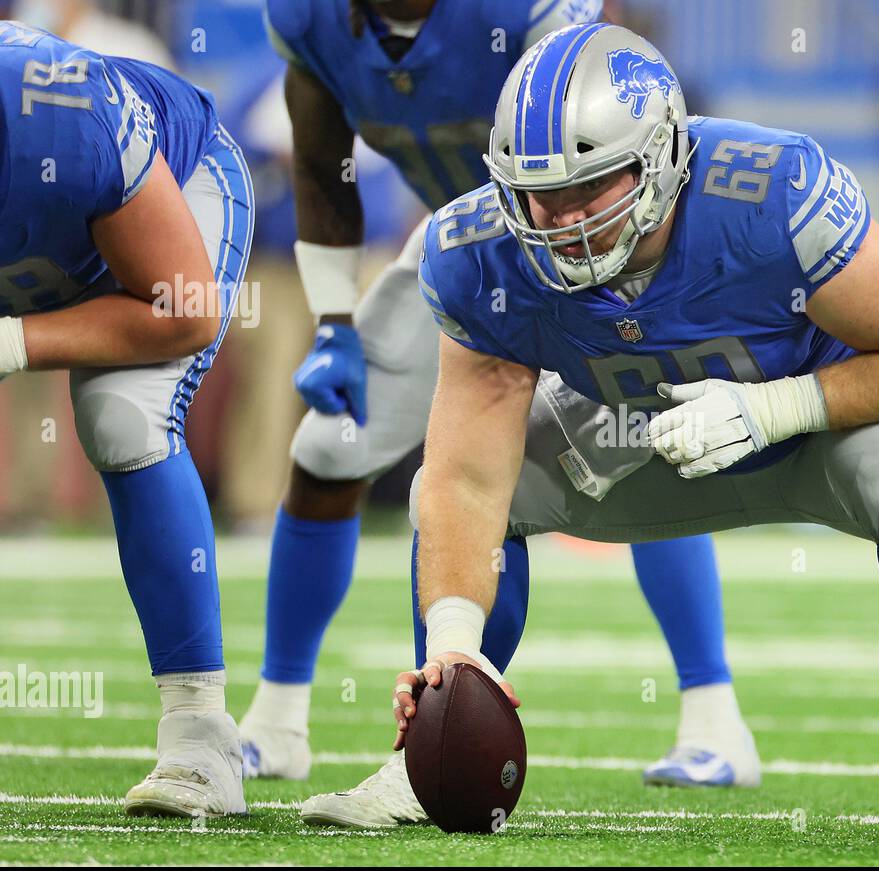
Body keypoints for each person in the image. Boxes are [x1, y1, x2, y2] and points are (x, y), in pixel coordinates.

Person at [326, 21, 879, 838]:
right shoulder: (480, 251)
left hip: (826, 426)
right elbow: (465, 478)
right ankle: (427, 763)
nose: (560, 219)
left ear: (661, 156)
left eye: (592, 187)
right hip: (650, 430)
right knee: (468, 489)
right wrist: (451, 648)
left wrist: (776, 408)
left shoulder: (770, 193)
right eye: (538, 193)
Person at [245, 0, 758, 814]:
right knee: (330, 448)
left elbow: (603, 140)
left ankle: (712, 717)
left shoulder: (526, 11)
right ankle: (276, 720)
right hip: (464, 253)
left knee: (647, 443)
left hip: (588, 249)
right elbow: (319, 169)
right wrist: (334, 322)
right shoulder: (312, 21)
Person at [0, 19, 254, 816]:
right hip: (46, 244)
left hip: (175, 204)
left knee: (120, 412)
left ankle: (199, 737)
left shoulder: (60, 112)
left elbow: (182, 312)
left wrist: (9, 341)